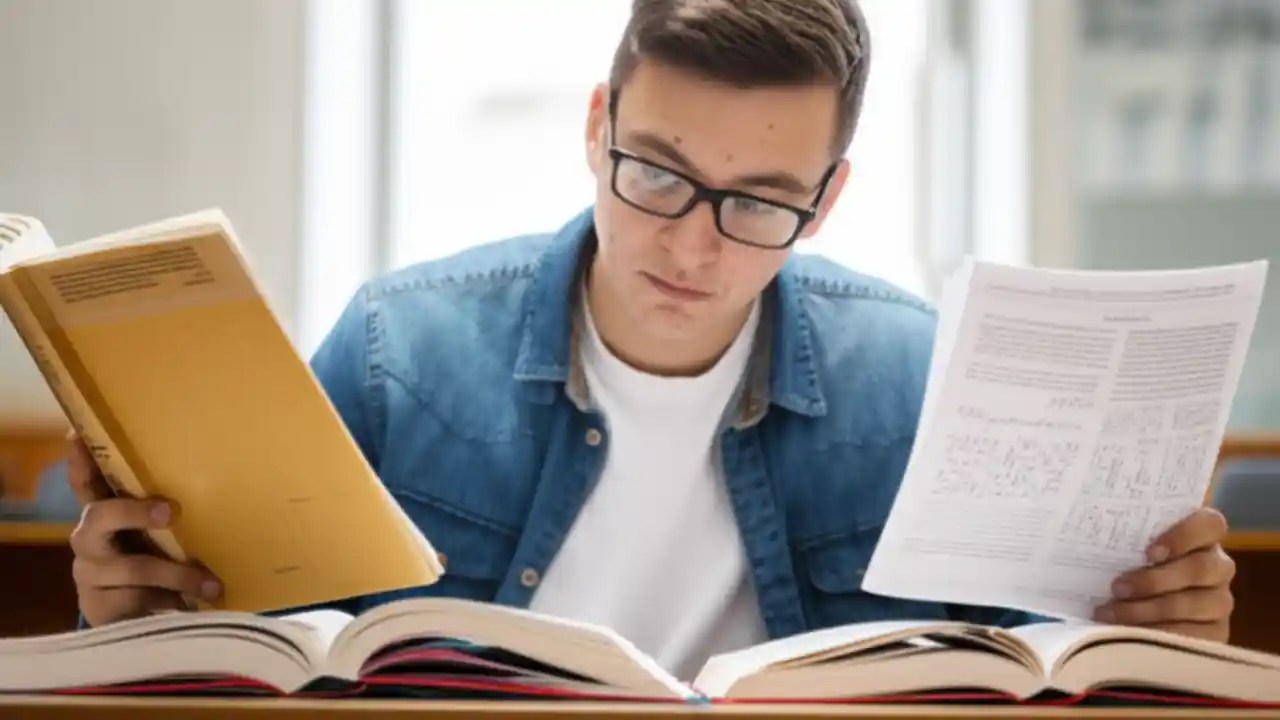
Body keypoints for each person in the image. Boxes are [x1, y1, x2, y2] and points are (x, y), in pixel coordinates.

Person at [64, 0, 1236, 681]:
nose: (691, 243)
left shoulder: (919, 380)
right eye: (657, 174)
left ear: (824, 201)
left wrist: (1152, 634)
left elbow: (1042, 672)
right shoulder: (395, 350)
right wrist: (136, 617)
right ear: (597, 127)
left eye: (758, 203)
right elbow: (247, 653)